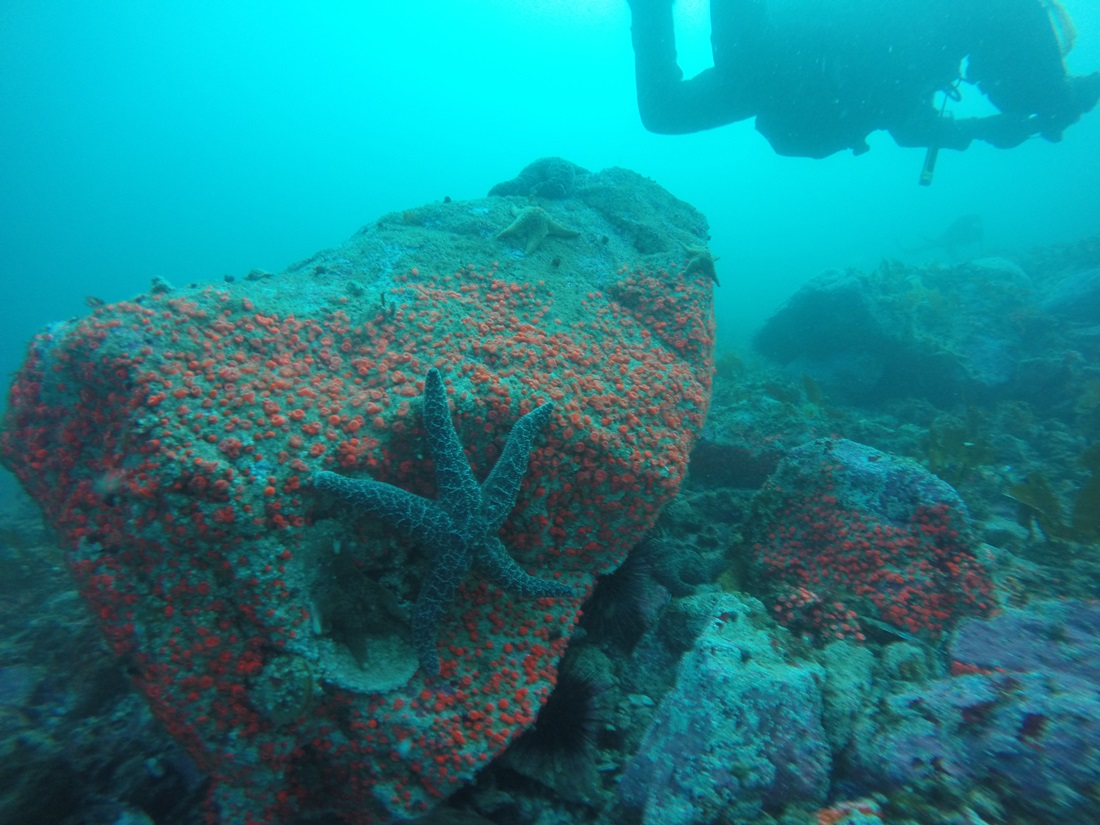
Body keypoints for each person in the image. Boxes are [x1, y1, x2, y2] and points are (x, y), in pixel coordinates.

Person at [627, 0, 1100, 159]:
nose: (983, 86)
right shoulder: (975, 18)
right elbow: (1040, 95)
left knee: (664, 113)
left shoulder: (949, 42)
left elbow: (900, 116)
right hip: (793, 59)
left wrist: (975, 130)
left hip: (793, 77)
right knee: (671, 108)